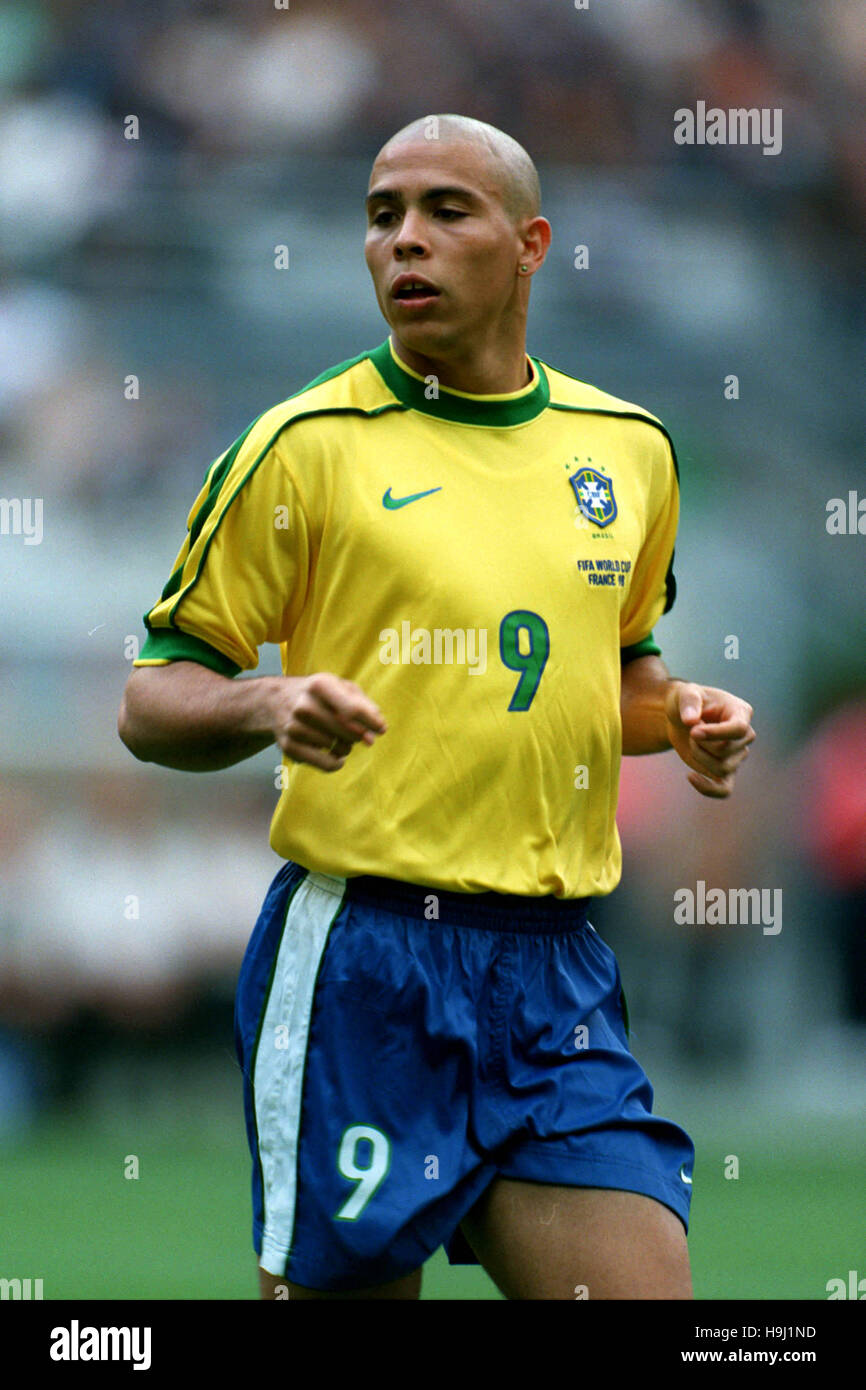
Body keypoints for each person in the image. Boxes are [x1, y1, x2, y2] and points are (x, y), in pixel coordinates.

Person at [118, 114, 755, 1300]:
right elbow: (151, 700)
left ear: (529, 244)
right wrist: (266, 699)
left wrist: (678, 716)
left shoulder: (626, 450)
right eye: (380, 215)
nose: (403, 240)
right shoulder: (299, 445)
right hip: (364, 959)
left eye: (443, 211)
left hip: (553, 970)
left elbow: (609, 674)